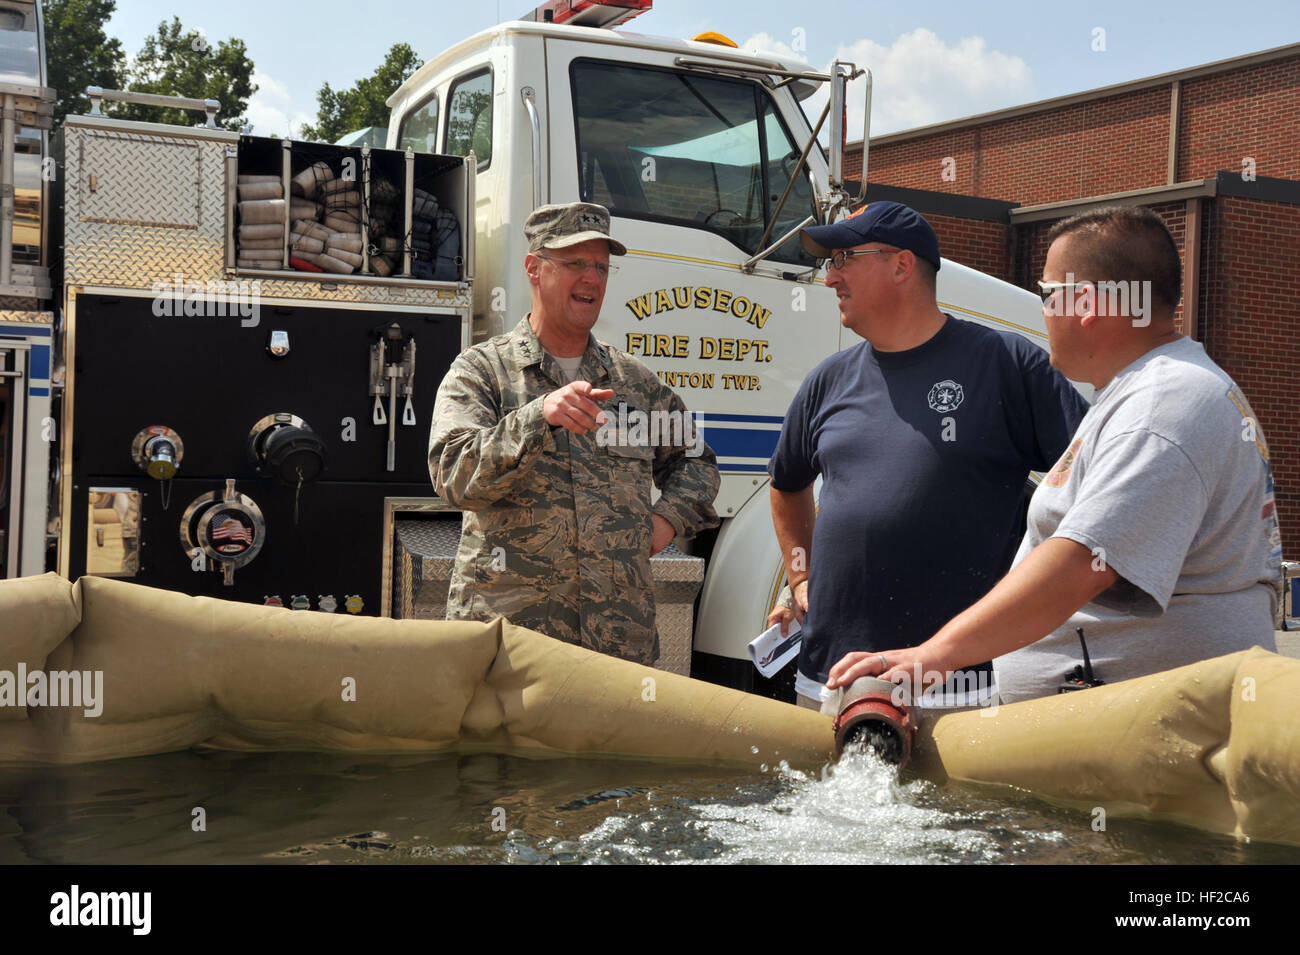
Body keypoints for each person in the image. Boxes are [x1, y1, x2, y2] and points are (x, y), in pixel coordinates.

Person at [827, 205, 1283, 702]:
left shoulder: (1160, 406)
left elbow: (1080, 564)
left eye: (1047, 294)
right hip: (1125, 731)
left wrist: (930, 655)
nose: (1042, 310)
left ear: (1085, 302)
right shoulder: (1145, 392)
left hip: (1145, 741)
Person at [767, 201, 1089, 710]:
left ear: (901, 265)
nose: (829, 279)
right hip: (829, 680)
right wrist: (801, 575)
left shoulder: (1007, 364)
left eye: (844, 259)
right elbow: (787, 484)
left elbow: (1093, 476)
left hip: (958, 687)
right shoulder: (828, 380)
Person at [428, 201, 720, 665]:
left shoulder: (634, 384)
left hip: (616, 646)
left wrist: (664, 522)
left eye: (601, 267)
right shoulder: (482, 372)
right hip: (510, 647)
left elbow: (695, 460)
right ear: (533, 268)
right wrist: (538, 416)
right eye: (575, 263)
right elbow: (453, 476)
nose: (592, 279)